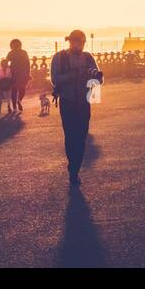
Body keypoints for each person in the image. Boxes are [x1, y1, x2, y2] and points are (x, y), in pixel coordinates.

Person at [51, 30, 103, 187]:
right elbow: (55, 79)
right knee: (70, 136)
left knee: (81, 137)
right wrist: (75, 74)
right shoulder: (60, 57)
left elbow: (98, 81)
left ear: (84, 42)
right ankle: (73, 169)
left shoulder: (88, 57)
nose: (77, 44)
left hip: (84, 102)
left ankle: (75, 167)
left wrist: (96, 78)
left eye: (79, 42)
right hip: (68, 101)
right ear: (69, 42)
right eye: (74, 41)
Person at [3, 39, 31, 114]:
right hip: (23, 73)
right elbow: (28, 64)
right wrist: (28, 73)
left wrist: (7, 70)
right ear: (20, 44)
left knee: (14, 90)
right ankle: (19, 100)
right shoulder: (24, 52)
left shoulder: (11, 53)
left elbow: (5, 62)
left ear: (11, 45)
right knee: (22, 89)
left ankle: (15, 108)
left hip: (13, 73)